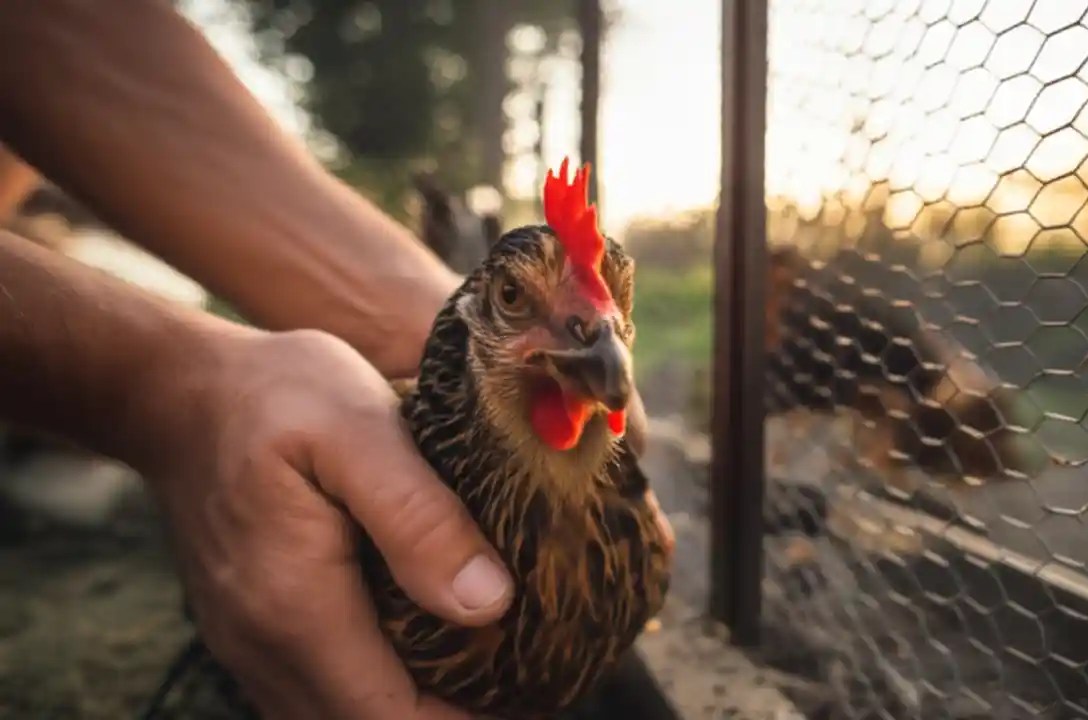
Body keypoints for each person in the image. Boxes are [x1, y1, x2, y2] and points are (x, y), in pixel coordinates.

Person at [0, 3, 669, 718]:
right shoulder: (376, 555)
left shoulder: (633, 558)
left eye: (610, 315)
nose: (598, 333)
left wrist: (390, 295)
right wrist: (164, 392)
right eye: (512, 297)